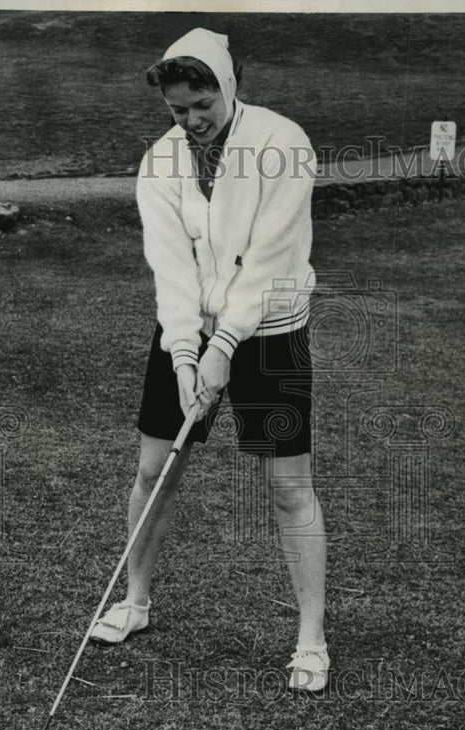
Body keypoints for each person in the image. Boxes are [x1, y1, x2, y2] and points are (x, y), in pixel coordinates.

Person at [90, 27, 329, 692]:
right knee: (152, 469)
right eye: (178, 110)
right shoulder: (160, 162)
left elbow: (272, 258)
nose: (193, 121)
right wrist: (187, 354)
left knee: (289, 487)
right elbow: (171, 270)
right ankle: (135, 601)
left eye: (204, 104)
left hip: (272, 332)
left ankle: (311, 637)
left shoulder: (283, 145)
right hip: (190, 329)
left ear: (231, 87)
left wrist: (226, 347)